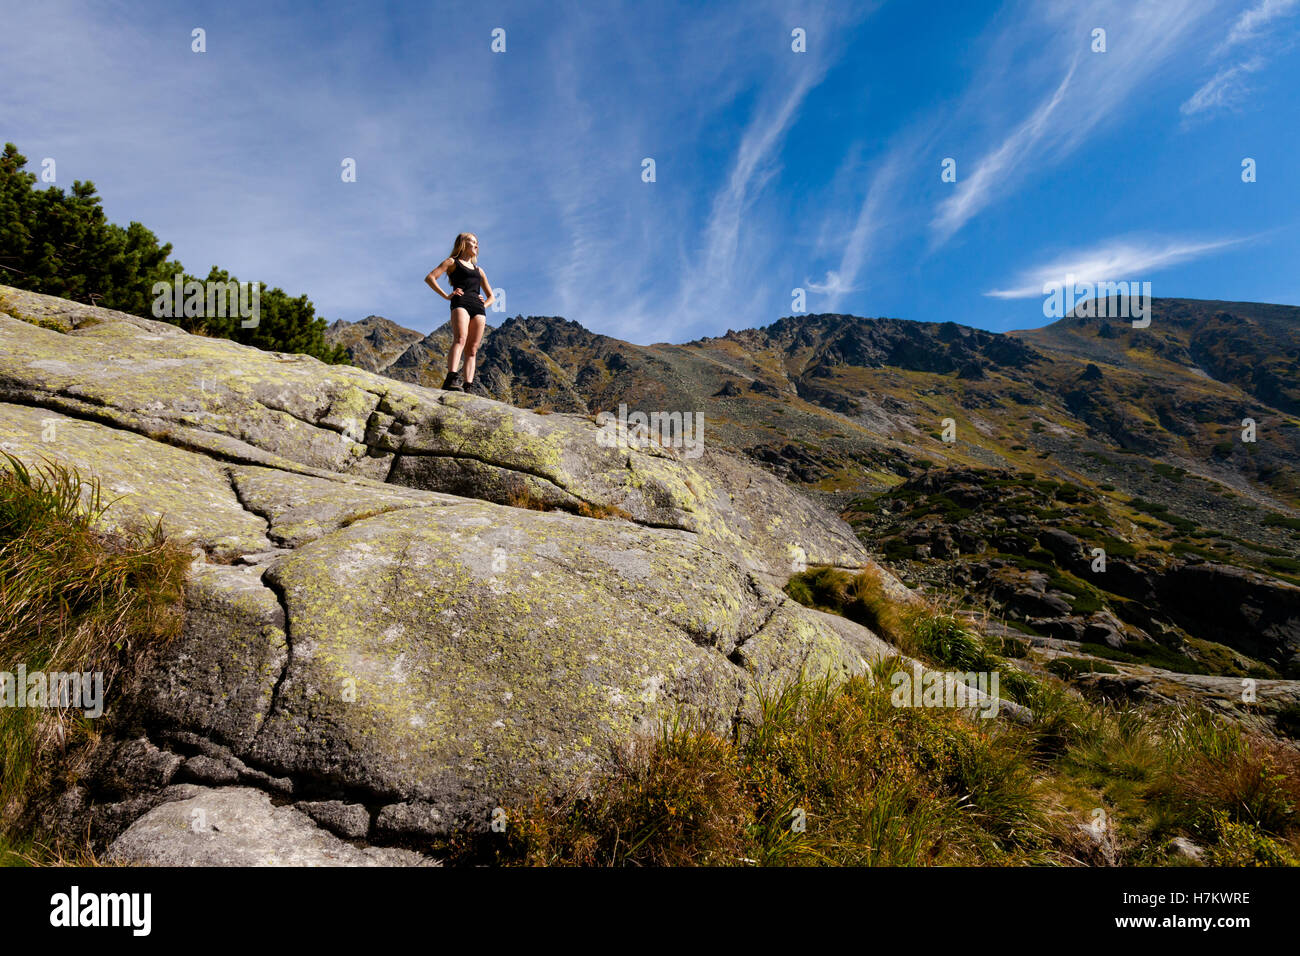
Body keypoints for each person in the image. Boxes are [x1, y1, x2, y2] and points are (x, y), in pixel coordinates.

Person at [424, 232, 494, 391]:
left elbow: (491, 296)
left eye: (477, 242)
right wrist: (446, 296)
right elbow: (430, 277)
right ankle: (451, 379)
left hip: (478, 308)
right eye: (472, 241)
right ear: (462, 243)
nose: (476, 245)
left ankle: (468, 386)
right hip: (460, 302)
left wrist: (485, 304)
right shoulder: (452, 262)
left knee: (473, 348)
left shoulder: (479, 270)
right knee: (460, 339)